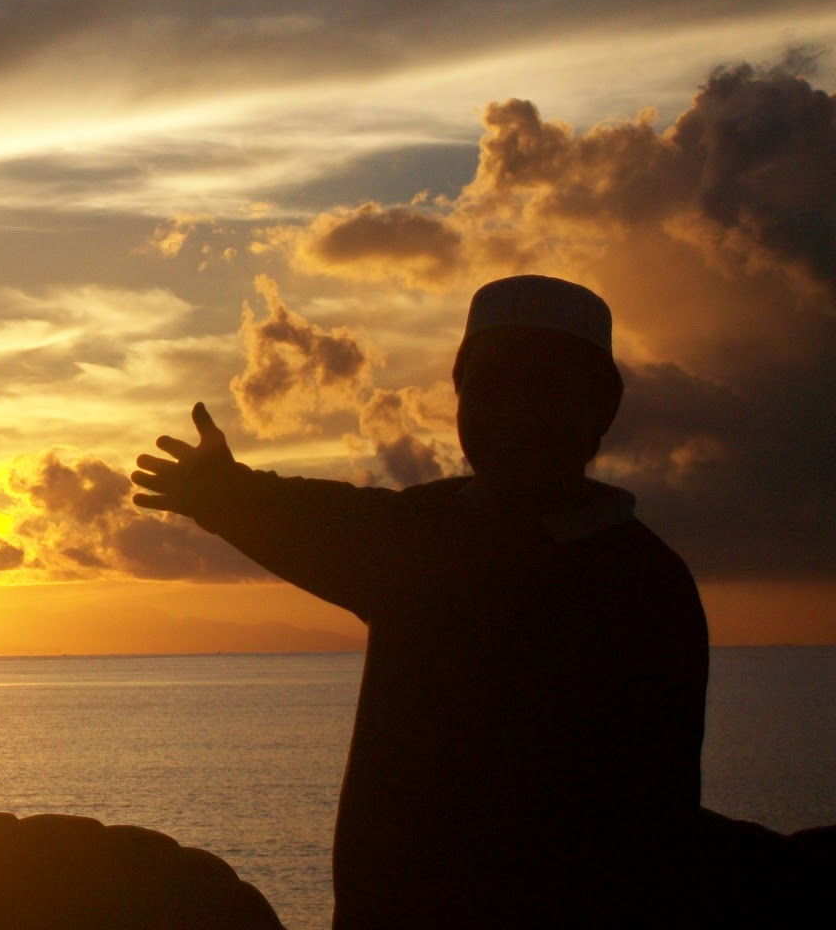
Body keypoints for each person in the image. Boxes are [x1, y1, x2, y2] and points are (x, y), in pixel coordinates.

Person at [133, 275, 709, 928]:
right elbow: (312, 517)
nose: (512, 412)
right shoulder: (423, 532)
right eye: (489, 387)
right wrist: (220, 493)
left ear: (600, 409)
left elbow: (656, 822)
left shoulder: (642, 587)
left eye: (544, 388)